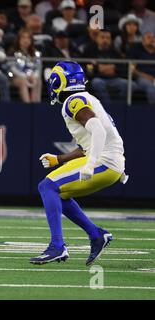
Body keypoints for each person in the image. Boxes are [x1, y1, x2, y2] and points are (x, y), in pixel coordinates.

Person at [31, 61, 128, 265]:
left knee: (47, 186)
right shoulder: (86, 98)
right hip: (111, 161)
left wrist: (91, 164)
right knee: (61, 194)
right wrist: (59, 159)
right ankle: (96, 235)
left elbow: (98, 132)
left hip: (105, 162)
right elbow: (88, 144)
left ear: (59, 82)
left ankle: (57, 246)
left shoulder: (72, 101)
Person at [83, 29, 132, 104]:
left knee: (130, 85)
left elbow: (122, 67)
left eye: (108, 38)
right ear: (97, 38)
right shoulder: (89, 50)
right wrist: (98, 69)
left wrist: (113, 69)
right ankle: (108, 106)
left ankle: (118, 104)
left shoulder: (114, 52)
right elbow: (86, 67)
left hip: (113, 78)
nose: (105, 40)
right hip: (97, 78)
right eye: (102, 37)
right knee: (97, 83)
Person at [6, 28, 41, 103]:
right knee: (23, 81)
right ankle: (27, 105)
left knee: (38, 81)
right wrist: (25, 76)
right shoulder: (12, 52)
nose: (26, 40)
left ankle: (35, 105)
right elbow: (12, 69)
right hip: (16, 78)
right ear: (19, 39)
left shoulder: (35, 53)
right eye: (23, 37)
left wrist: (34, 76)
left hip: (31, 77)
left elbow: (38, 68)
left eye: (28, 38)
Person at [128, 31, 155, 104]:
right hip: (141, 78)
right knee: (151, 88)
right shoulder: (137, 51)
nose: (152, 39)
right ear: (143, 41)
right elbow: (132, 69)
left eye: (153, 37)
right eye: (149, 37)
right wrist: (146, 76)